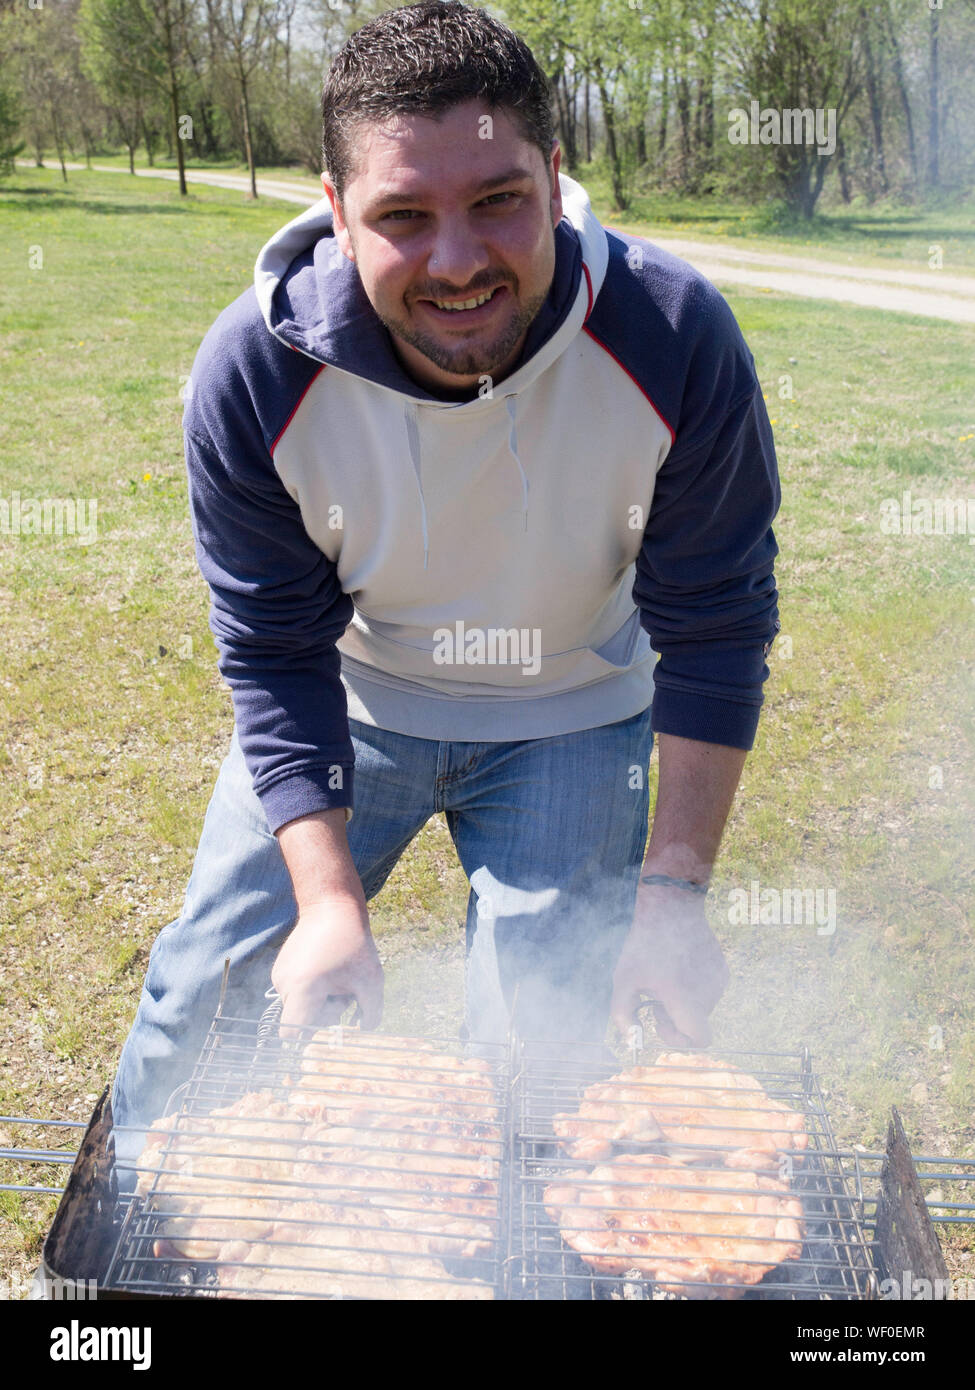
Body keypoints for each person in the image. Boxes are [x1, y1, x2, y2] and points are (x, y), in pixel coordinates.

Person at [111, 0, 780, 1146]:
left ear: (555, 176)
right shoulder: (255, 374)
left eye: (498, 202)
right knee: (207, 989)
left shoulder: (674, 336)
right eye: (403, 216)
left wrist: (672, 893)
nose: (458, 261)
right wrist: (327, 902)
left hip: (577, 712)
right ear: (334, 212)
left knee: (542, 1058)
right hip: (355, 703)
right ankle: (121, 1276)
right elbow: (272, 649)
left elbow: (716, 624)